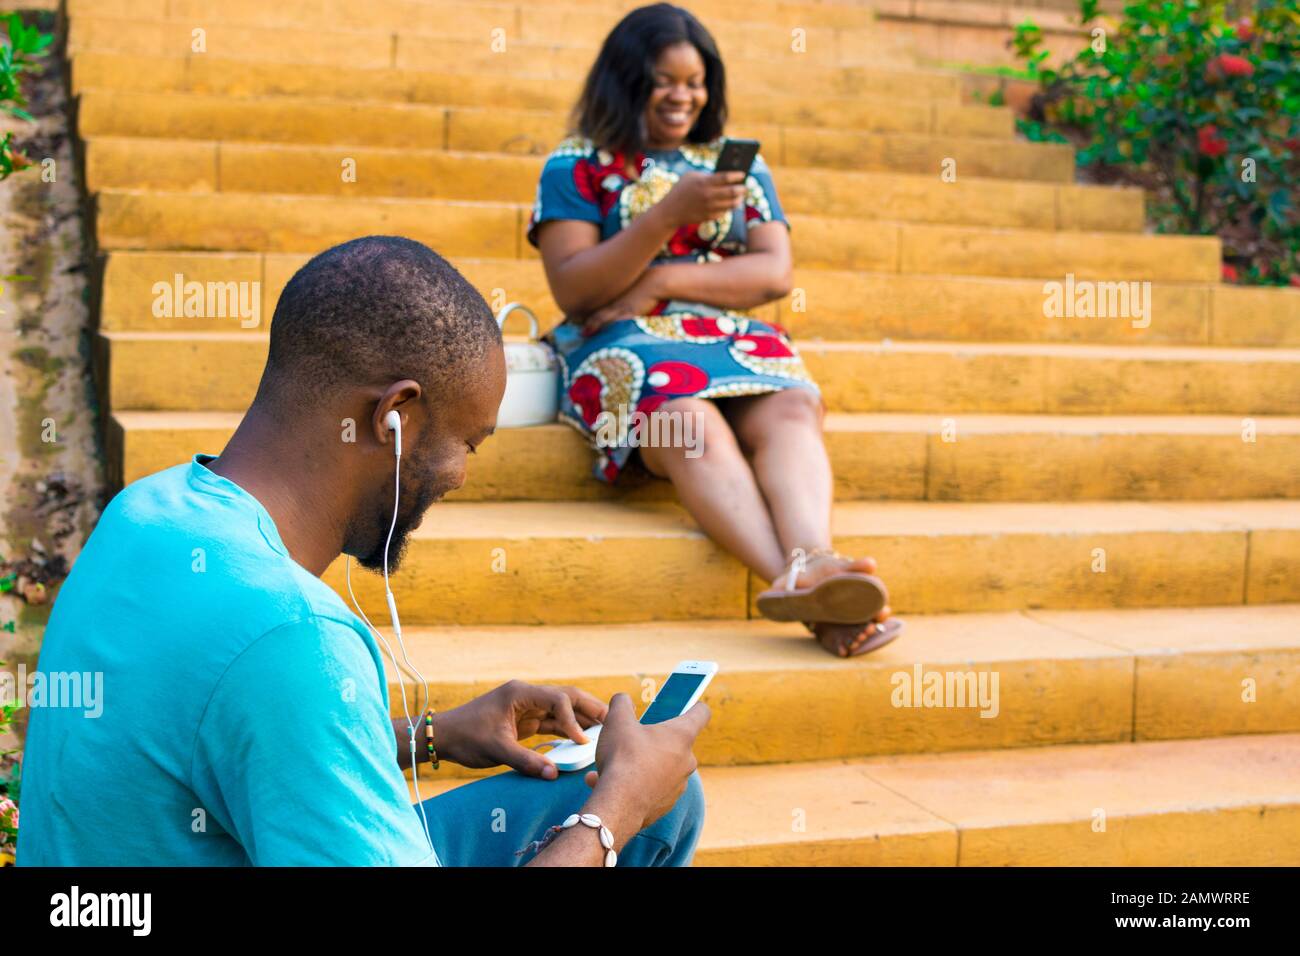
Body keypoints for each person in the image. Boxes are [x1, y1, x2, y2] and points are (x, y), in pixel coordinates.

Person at [17, 235, 706, 867]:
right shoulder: (293, 632)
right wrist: (615, 812)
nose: (463, 476)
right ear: (395, 418)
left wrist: (429, 735)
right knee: (644, 807)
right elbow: (268, 680)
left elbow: (214, 730)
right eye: (467, 443)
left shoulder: (149, 508)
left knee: (657, 798)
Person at [527, 4, 903, 657]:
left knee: (790, 403)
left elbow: (774, 271)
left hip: (727, 340)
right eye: (663, 80)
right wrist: (667, 215)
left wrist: (662, 282)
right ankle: (806, 587)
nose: (683, 96)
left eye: (694, 81)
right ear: (624, 80)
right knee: (688, 423)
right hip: (617, 343)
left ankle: (812, 559)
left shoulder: (737, 169)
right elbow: (576, 288)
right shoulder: (577, 164)